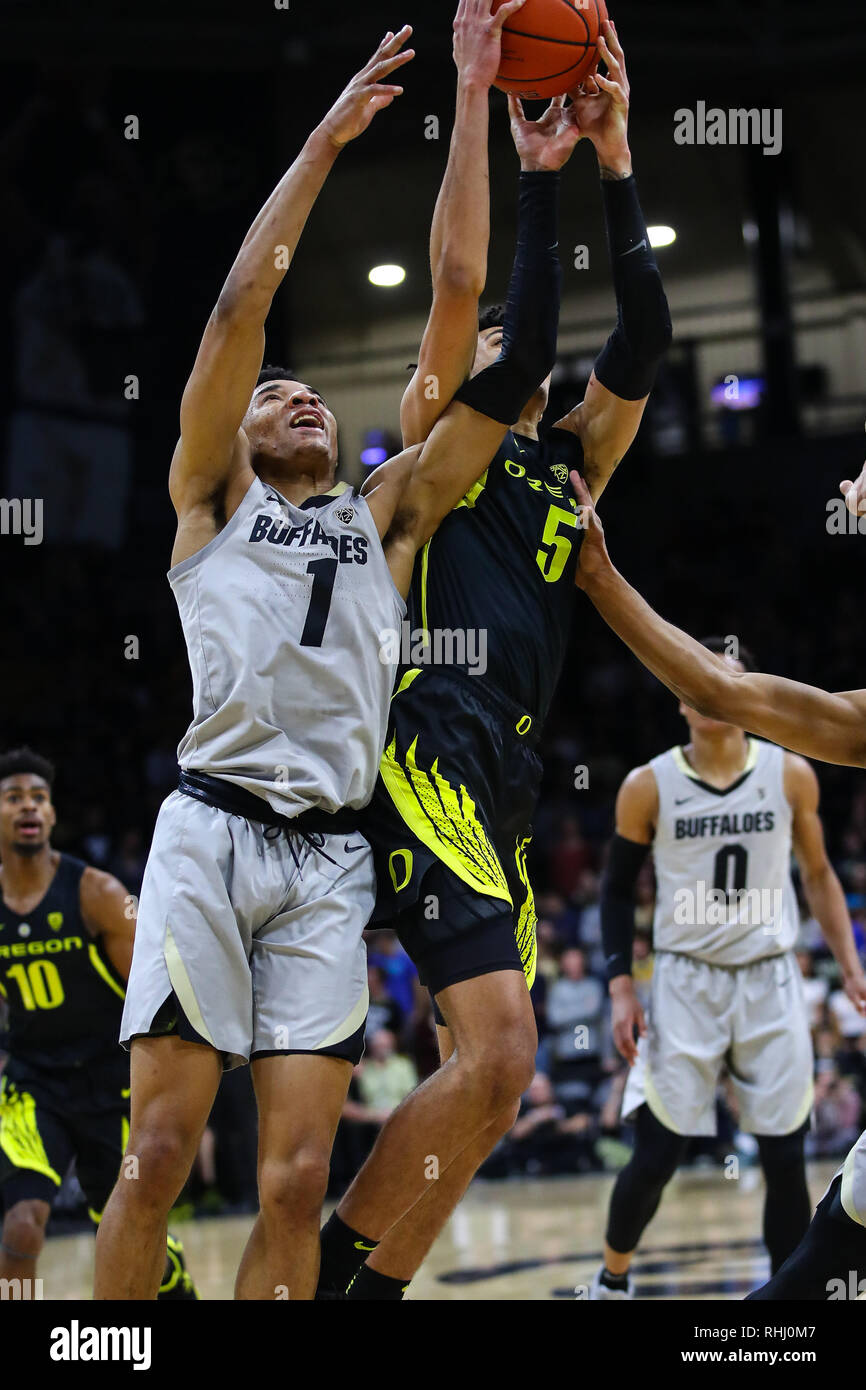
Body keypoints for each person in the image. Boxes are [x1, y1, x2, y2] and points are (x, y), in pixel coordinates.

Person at [94, 13, 563, 1302]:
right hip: (208, 832)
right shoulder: (211, 504)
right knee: (156, 1157)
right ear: (236, 438)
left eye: (311, 392)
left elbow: (476, 322)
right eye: (270, 395)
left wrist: (491, 115)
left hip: (326, 861)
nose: (296, 394)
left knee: (298, 1181)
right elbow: (243, 303)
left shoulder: (389, 516)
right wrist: (326, 138)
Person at [318, 17, 673, 1301]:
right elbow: (488, 312)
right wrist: (515, 148)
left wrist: (615, 161)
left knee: (499, 1082)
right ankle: (317, 1271)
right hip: (422, 745)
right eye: (456, 356)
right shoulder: (434, 451)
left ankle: (365, 1283)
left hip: (506, 785)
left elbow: (638, 338)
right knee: (500, 1042)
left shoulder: (565, 465)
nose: (479, 357)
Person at [570, 465, 866, 1299]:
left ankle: (777, 1312)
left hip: (771, 975)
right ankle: (613, 1280)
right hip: (689, 978)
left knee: (789, 1165)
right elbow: (617, 890)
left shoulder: (791, 773)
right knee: (661, 1151)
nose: (707, 690)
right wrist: (621, 985)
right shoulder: (647, 783)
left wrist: (844, 960)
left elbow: (819, 874)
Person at [0, 748, 197, 1299]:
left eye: (38, 797)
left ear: (53, 815)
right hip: (34, 1084)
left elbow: (152, 989)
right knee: (19, 1225)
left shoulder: (97, 894)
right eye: (14, 797)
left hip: (109, 1086)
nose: (28, 807)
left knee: (139, 1238)